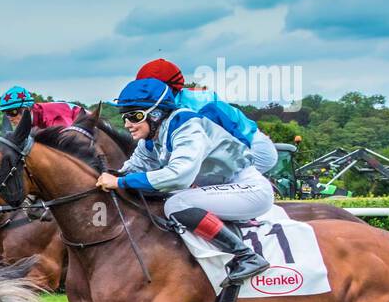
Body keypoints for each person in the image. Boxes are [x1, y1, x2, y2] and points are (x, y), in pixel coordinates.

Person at [98, 77, 272, 284]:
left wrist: (120, 183)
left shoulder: (186, 125)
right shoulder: (151, 140)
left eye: (134, 116)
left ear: (156, 114)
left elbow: (178, 176)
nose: (127, 124)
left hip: (249, 189)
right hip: (224, 189)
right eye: (124, 117)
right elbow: (131, 168)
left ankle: (246, 256)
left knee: (176, 203)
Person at [135, 59, 279, 174]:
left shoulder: (199, 105)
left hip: (255, 149)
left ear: (168, 88)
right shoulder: (163, 106)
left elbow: (232, 143)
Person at [0, 85, 83, 129]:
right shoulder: (31, 121)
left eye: (13, 112)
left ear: (27, 108)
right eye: (6, 113)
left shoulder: (51, 119)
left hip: (88, 125)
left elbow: (69, 140)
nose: (10, 118)